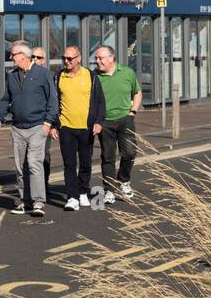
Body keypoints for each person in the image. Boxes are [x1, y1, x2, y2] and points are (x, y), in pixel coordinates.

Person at [0, 41, 59, 216]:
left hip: (38, 126)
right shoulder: (12, 76)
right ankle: (25, 201)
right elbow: (5, 99)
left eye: (13, 54)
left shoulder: (43, 74)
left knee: (34, 163)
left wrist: (48, 123)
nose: (11, 57)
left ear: (23, 55)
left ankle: (38, 202)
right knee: (20, 167)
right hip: (17, 127)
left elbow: (53, 100)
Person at [51, 45, 105, 211]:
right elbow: (53, 103)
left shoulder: (91, 76)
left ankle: (82, 192)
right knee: (69, 164)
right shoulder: (59, 77)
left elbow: (100, 102)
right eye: (64, 58)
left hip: (86, 128)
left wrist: (98, 122)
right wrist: (54, 124)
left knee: (86, 163)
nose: (66, 61)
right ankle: (72, 197)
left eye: (70, 58)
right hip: (66, 127)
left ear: (78, 58)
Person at [94, 44, 142, 203]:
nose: (97, 61)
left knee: (129, 152)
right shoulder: (94, 76)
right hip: (104, 122)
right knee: (107, 156)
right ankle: (109, 190)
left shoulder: (127, 72)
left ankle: (123, 181)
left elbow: (137, 92)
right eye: (96, 58)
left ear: (111, 58)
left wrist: (132, 112)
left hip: (125, 119)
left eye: (100, 58)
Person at [31, 47, 54, 198]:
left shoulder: (50, 76)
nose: (34, 59)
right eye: (32, 56)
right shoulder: (20, 74)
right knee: (29, 158)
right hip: (27, 124)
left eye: (38, 57)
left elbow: (54, 101)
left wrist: (52, 124)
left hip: (44, 123)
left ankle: (43, 186)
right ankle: (31, 188)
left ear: (44, 61)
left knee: (43, 155)